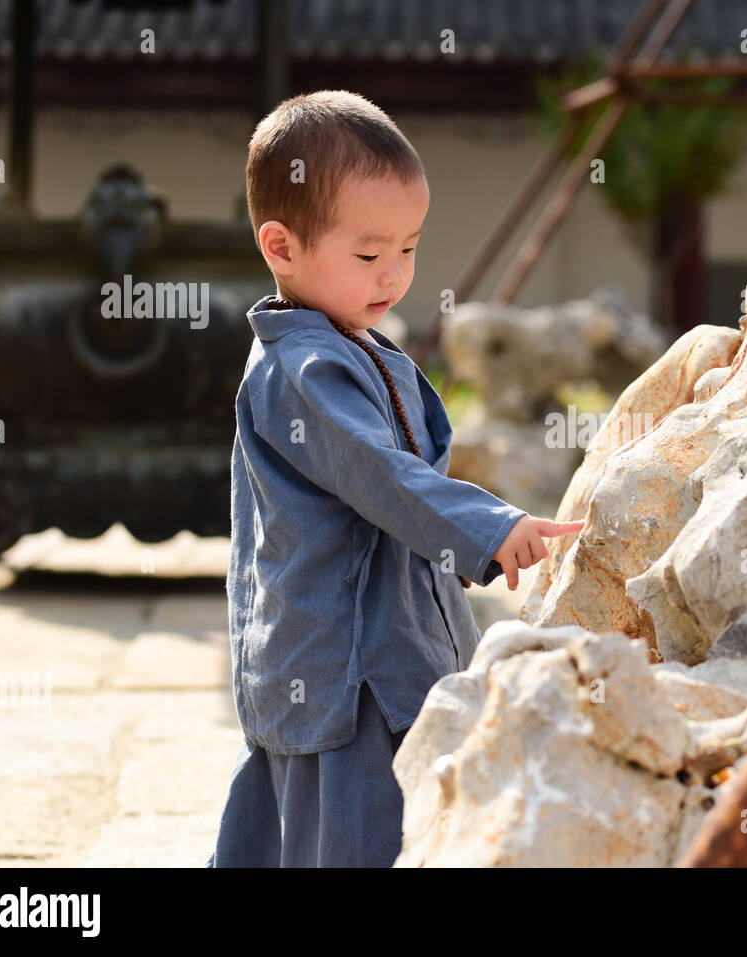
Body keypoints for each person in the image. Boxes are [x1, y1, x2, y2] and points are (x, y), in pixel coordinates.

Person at [206, 90, 584, 867]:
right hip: (341, 669)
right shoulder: (301, 368)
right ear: (281, 246)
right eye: (370, 255)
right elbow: (381, 474)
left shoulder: (349, 342)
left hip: (391, 644)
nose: (395, 275)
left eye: (409, 249)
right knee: (347, 829)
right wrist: (491, 527)